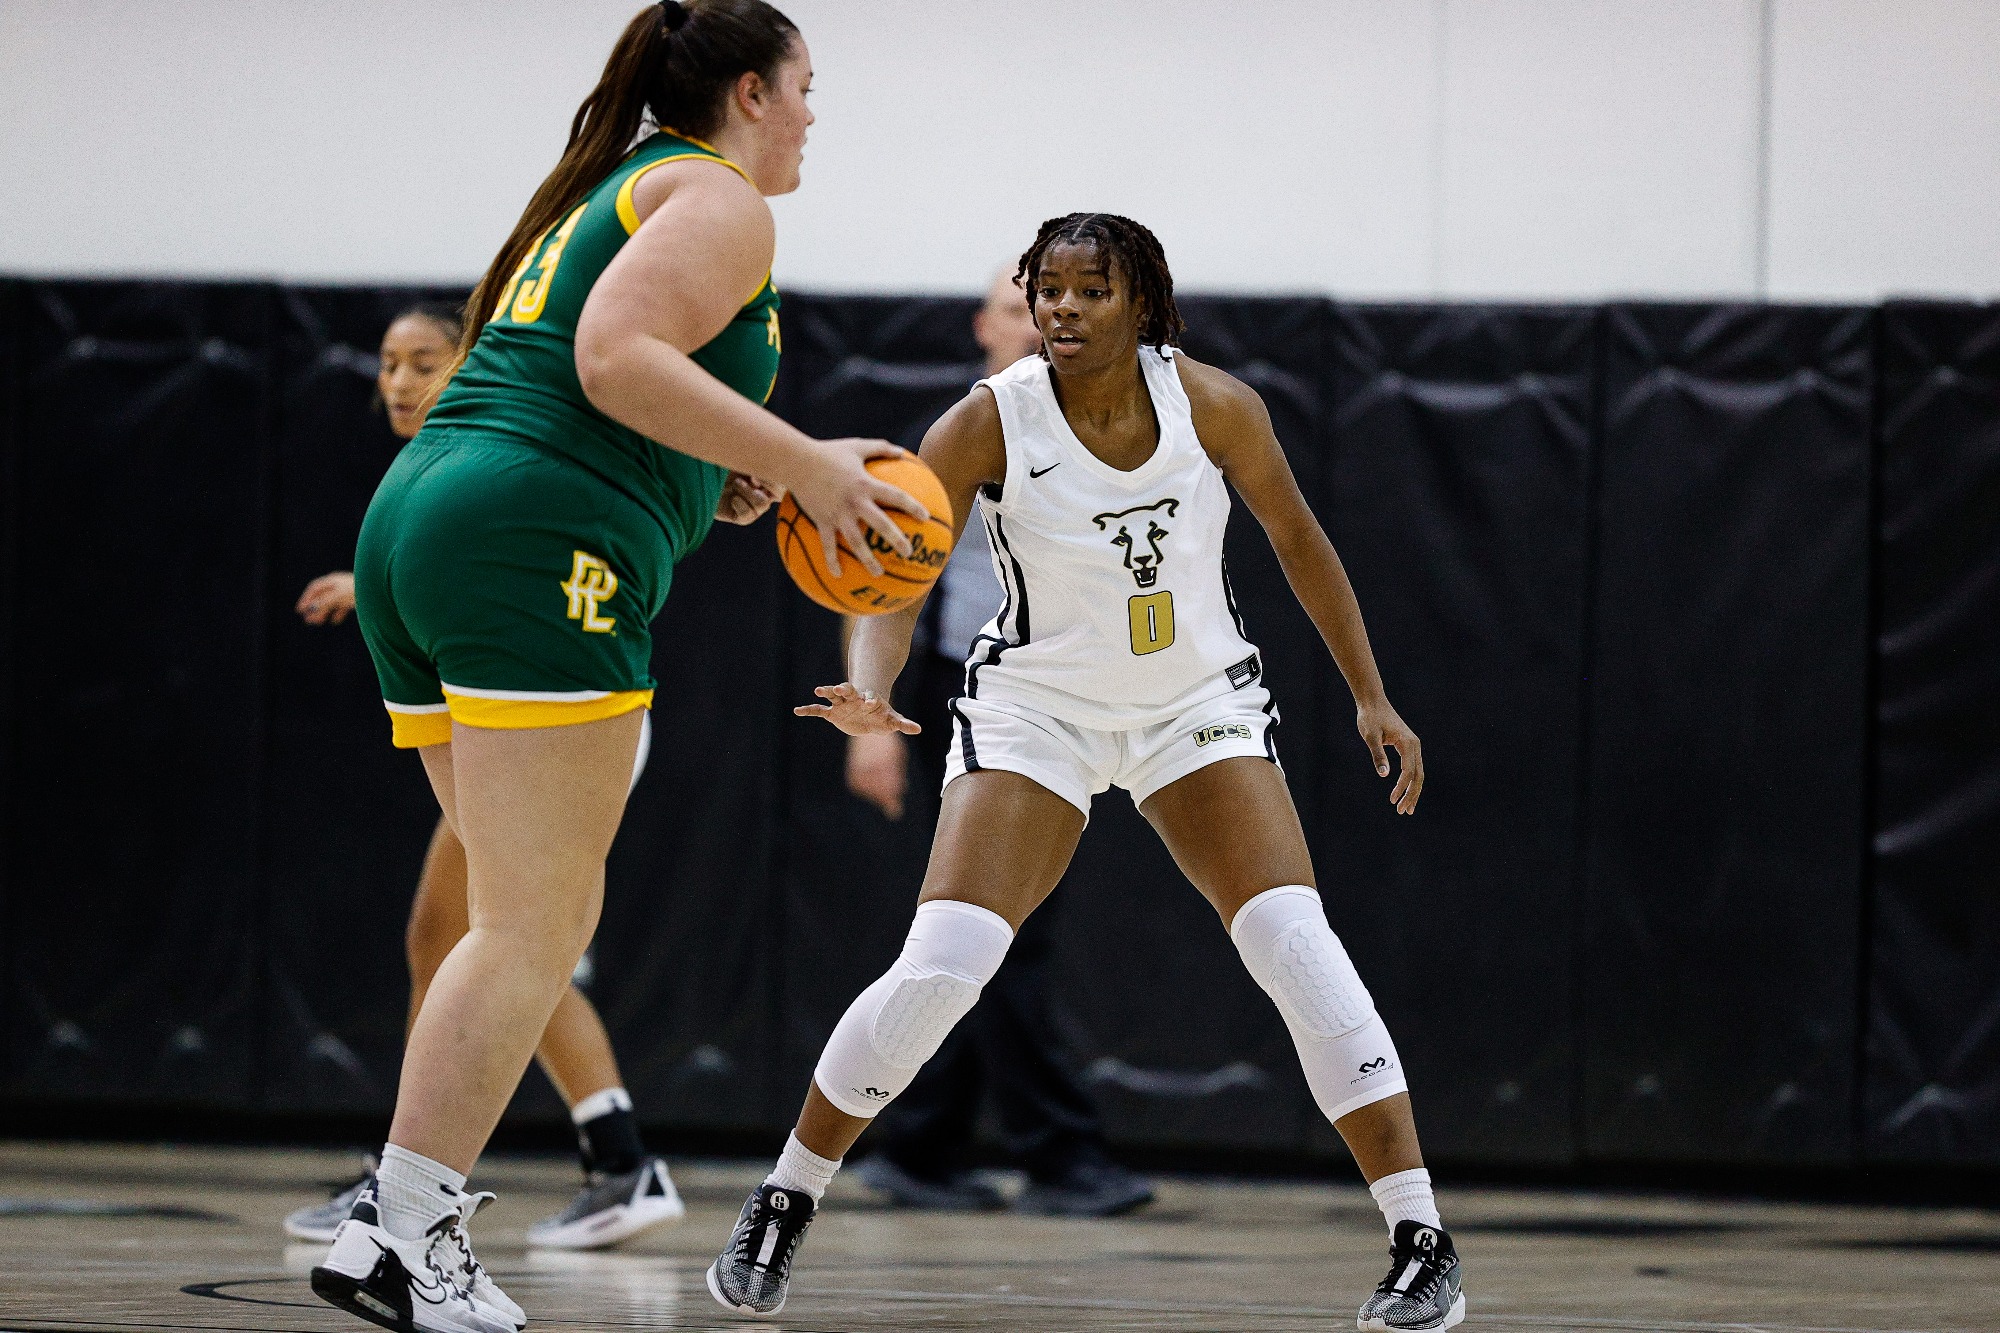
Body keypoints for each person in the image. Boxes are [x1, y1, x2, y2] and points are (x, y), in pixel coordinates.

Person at [709, 214, 1465, 1332]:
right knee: (947, 962)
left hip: (1192, 705)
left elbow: (1299, 539)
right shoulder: (983, 420)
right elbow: (895, 576)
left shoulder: (1213, 405)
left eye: (1086, 290)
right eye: (1043, 289)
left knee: (1292, 942)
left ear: (1141, 303)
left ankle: (1421, 1238)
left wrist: (1368, 692)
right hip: (1038, 710)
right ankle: (783, 1197)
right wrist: (873, 682)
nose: (1059, 309)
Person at [310, 4, 924, 1331]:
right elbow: (612, 359)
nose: (817, 112)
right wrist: (813, 461)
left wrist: (725, 478)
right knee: (535, 925)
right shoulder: (715, 197)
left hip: (426, 520)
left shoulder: (616, 190)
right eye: (807, 87)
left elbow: (590, 386)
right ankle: (404, 1237)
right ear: (750, 94)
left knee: (504, 923)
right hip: (534, 541)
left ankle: (398, 1221)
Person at [287, 304, 684, 1253]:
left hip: (566, 715)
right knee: (448, 933)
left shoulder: (518, 443)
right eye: (385, 362)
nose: (399, 380)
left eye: (424, 360)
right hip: (518, 715)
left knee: (511, 934)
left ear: (475, 362)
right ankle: (598, 1154)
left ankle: (482, 1173)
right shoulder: (443, 470)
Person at [843, 272, 1153, 1217]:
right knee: (997, 928)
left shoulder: (1105, 425)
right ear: (983, 325)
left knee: (983, 930)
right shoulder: (953, 432)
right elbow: (879, 572)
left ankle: (920, 1145)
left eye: (1054, 307)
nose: (1036, 323)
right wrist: (871, 712)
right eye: (1017, 307)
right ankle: (1057, 1155)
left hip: (1067, 685)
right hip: (968, 689)